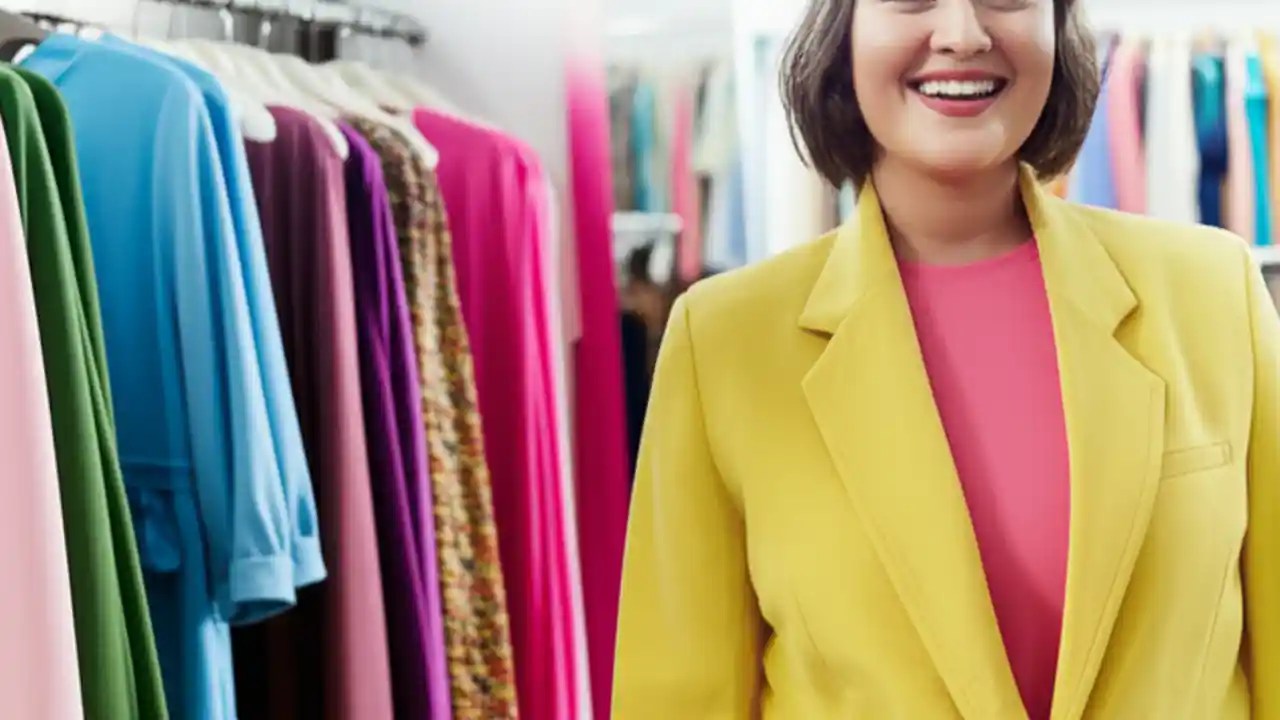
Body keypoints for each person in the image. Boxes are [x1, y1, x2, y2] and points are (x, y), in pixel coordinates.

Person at [612, 1, 1280, 718]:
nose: (963, 34)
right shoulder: (725, 344)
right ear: (844, 29)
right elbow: (677, 700)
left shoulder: (1212, 295)